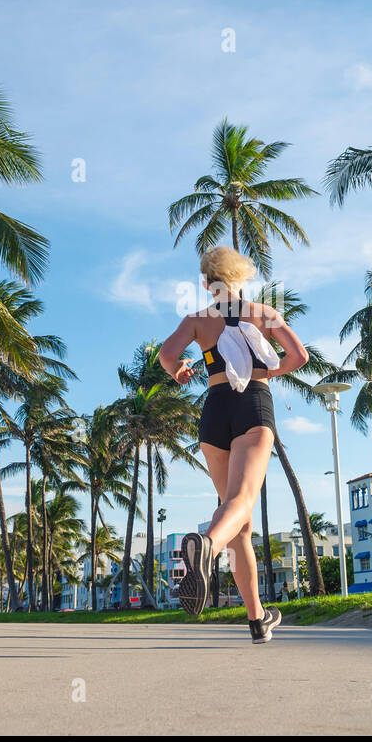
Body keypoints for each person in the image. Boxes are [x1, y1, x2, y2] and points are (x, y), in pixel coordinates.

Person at [157, 246, 309, 644]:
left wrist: (179, 371)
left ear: (206, 284)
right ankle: (207, 548)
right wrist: (268, 373)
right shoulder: (263, 313)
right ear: (241, 278)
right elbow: (299, 356)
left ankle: (257, 619)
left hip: (214, 409)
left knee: (238, 521)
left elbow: (167, 354)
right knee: (242, 501)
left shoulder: (196, 319)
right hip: (251, 403)